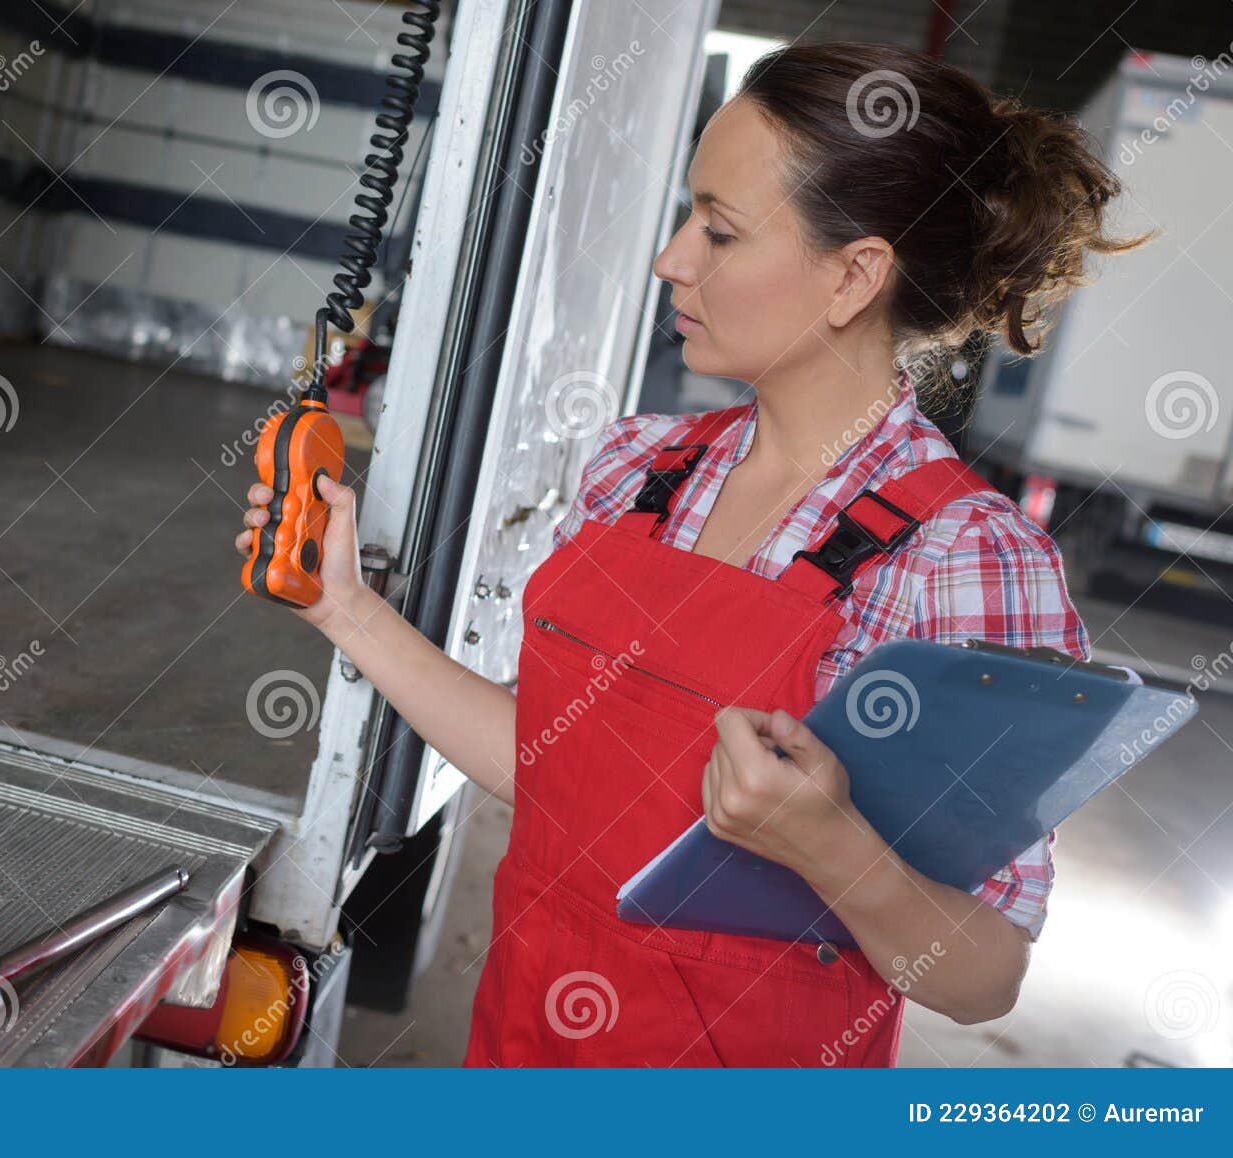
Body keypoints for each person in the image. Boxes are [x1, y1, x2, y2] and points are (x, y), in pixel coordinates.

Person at [235, 41, 1147, 1066]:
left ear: (853, 276)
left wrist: (833, 849)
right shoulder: (641, 469)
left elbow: (984, 976)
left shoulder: (963, 557)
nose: (672, 258)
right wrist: (345, 607)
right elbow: (547, 761)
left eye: (719, 230)